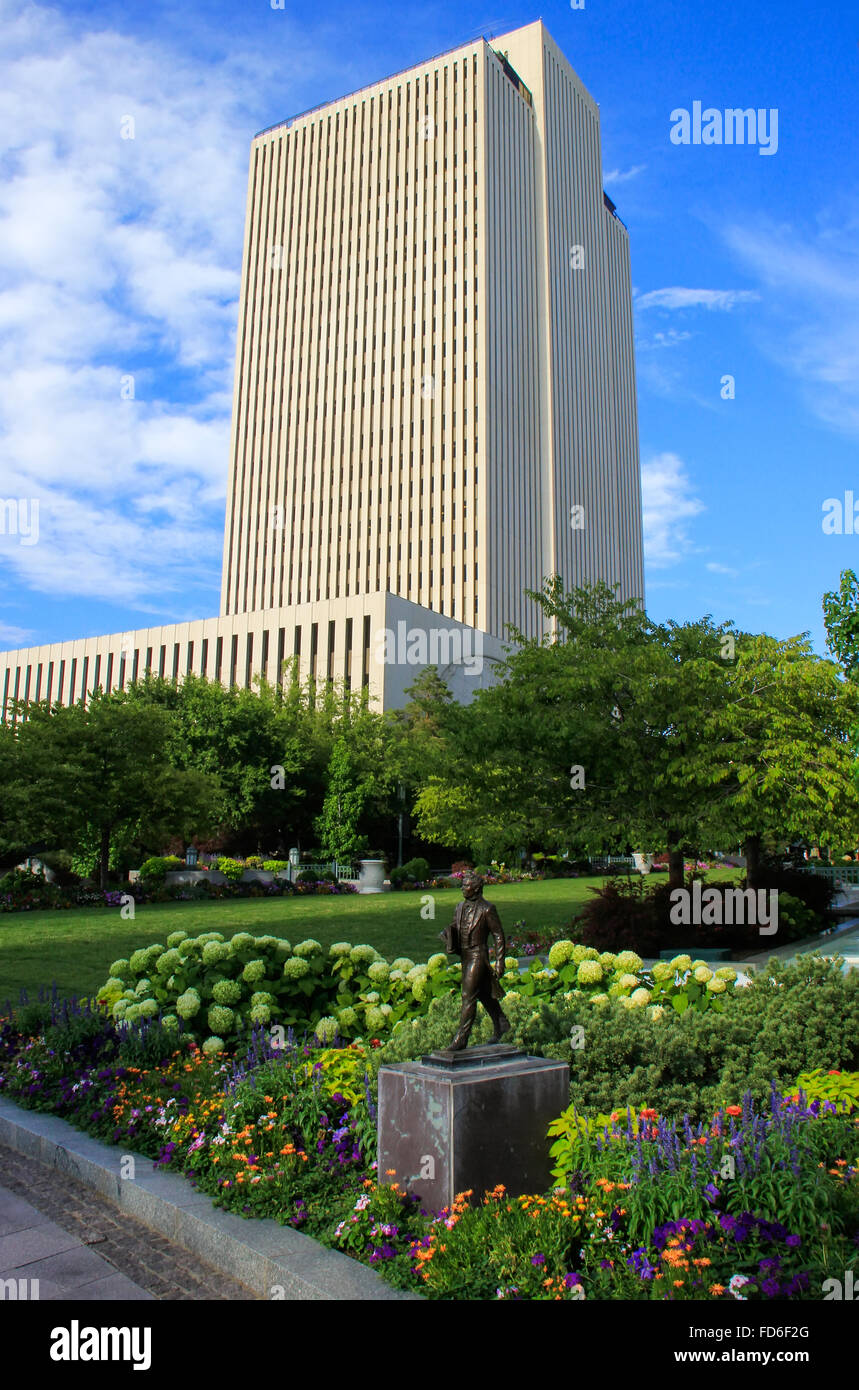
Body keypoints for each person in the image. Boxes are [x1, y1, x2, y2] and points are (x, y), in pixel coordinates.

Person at [441, 871, 511, 1051]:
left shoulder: (487, 909)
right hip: (464, 955)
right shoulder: (459, 907)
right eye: (462, 885)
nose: (463, 888)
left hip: (478, 955)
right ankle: (501, 1023)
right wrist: (448, 935)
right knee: (483, 993)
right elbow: (456, 927)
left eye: (466, 885)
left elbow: (498, 935)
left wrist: (500, 961)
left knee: (468, 995)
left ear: (477, 888)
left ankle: (461, 1039)